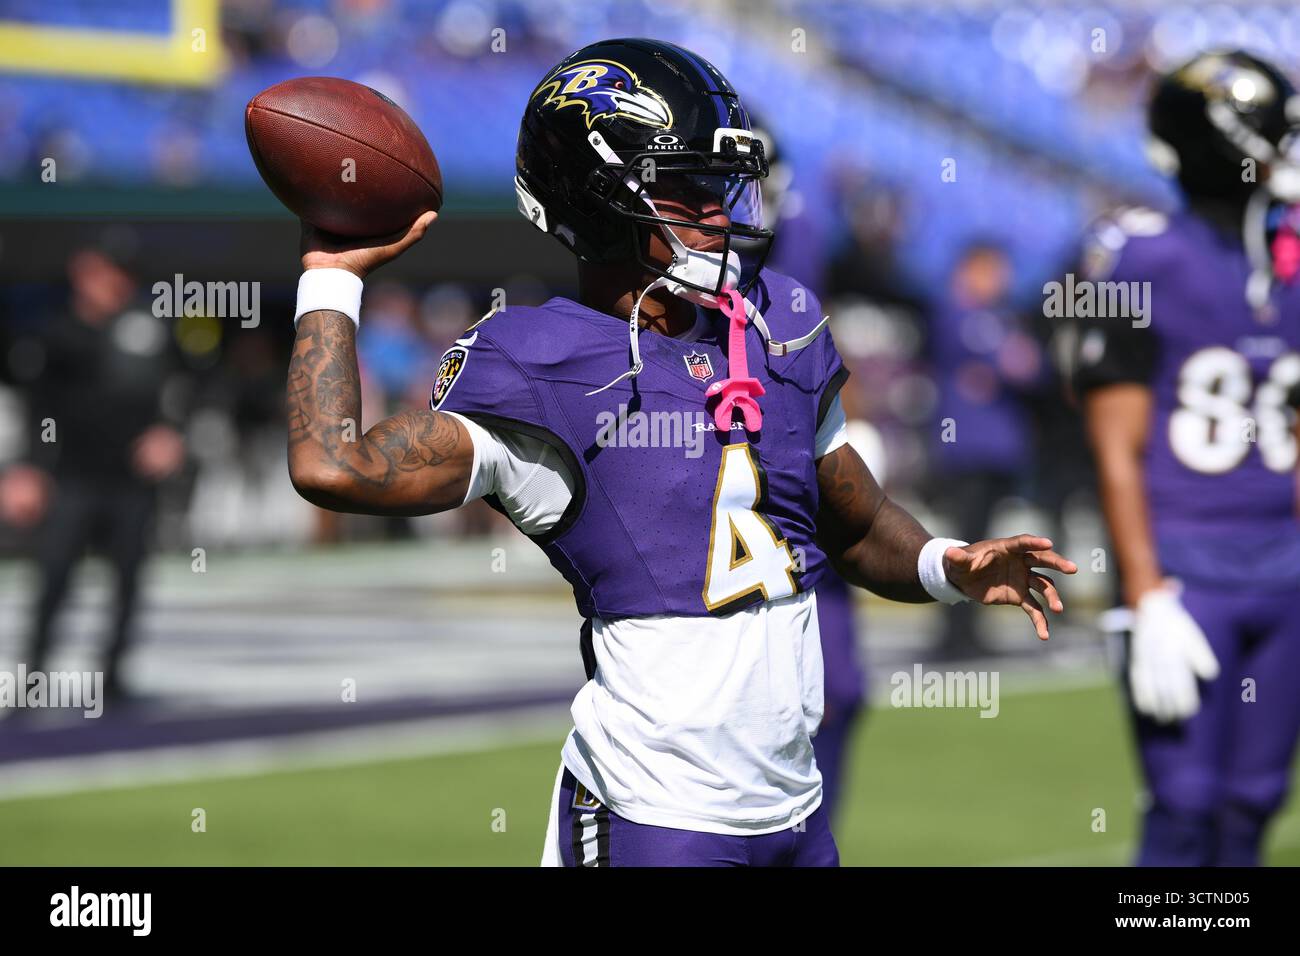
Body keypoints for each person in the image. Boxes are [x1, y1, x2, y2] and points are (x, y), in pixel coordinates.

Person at [284, 38, 1074, 866]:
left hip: (796, 814)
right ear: (599, 198)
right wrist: (332, 277)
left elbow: (856, 518)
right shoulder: (538, 360)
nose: (720, 211)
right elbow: (334, 465)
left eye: (721, 186)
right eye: (687, 188)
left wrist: (950, 564)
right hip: (653, 815)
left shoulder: (780, 323)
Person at [1067, 50, 1300, 866]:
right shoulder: (1141, 254)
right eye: (1279, 133)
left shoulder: (1287, 258)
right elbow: (1115, 444)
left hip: (1283, 570)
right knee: (1186, 804)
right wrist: (1145, 593)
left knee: (1252, 804)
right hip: (1186, 569)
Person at [0, 242, 186, 704]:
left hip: (132, 481)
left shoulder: (149, 329)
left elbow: (186, 388)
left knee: (128, 579)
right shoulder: (53, 333)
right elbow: (32, 408)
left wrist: (170, 433)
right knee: (55, 576)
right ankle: (35, 677)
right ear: (83, 271)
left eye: (125, 274)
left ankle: (115, 679)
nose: (116, 283)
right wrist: (25, 470)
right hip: (70, 477)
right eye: (108, 272)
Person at [929, 241, 1045, 658]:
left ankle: (969, 628)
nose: (1001, 281)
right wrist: (1002, 360)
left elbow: (1031, 369)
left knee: (988, 543)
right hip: (967, 449)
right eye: (992, 271)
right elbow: (1004, 361)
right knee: (964, 542)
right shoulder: (956, 311)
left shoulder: (1001, 316)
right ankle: (953, 632)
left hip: (997, 448)